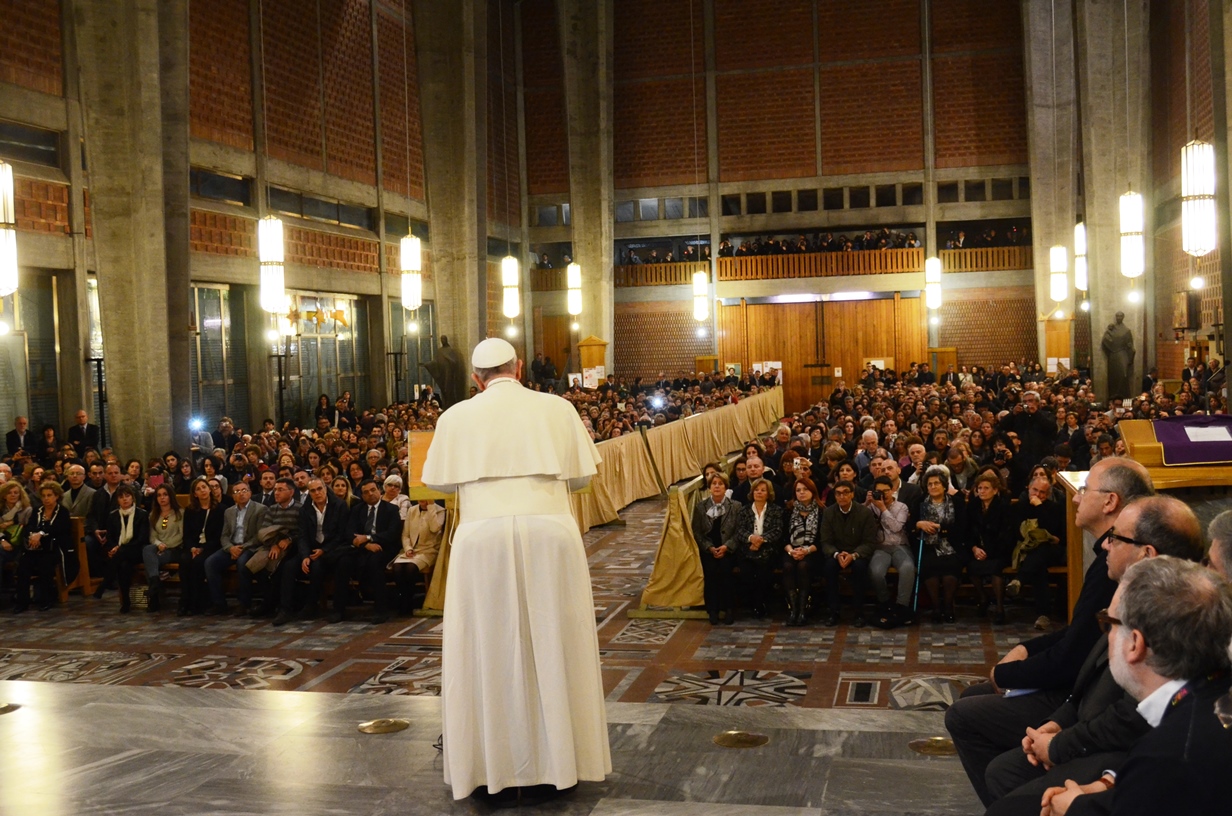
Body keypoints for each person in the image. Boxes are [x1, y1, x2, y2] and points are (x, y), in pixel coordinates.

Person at [421, 336, 609, 802]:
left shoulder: (455, 417)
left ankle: (489, 763)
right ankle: (560, 760)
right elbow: (583, 476)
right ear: (520, 367)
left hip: (481, 538)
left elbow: (440, 482)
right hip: (550, 534)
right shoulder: (558, 407)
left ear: (474, 379)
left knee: (487, 643)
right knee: (553, 639)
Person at [944, 458, 1154, 807]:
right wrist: (1027, 649)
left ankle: (1016, 803)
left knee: (968, 719)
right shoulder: (1113, 559)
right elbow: (1081, 634)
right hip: (1080, 702)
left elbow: (1076, 663)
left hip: (1088, 708)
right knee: (976, 705)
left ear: (1110, 502)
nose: (1074, 497)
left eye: (1084, 490)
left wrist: (1056, 735)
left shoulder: (1122, 569)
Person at [1034, 557, 1232, 816]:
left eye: (1110, 623)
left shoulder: (1164, 754)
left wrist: (1076, 810)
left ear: (1135, 643)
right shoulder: (1213, 693)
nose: (1108, 635)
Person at [273, 477, 349, 625]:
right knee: (288, 567)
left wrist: (324, 550)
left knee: (319, 566)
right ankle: (285, 610)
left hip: (333, 550)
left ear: (325, 489)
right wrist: (304, 556)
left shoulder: (339, 506)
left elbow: (342, 535)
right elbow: (302, 536)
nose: (317, 493)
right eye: (313, 490)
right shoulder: (305, 509)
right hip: (312, 549)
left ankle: (316, 606)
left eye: (319, 489)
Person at [819, 478, 878, 626]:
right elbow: (825, 541)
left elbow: (869, 542)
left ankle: (858, 612)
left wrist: (854, 555)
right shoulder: (829, 513)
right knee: (829, 567)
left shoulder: (864, 513)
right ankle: (834, 611)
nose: (842, 496)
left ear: (852, 494)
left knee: (859, 568)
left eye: (845, 493)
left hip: (857, 552)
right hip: (837, 552)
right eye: (838, 494)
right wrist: (836, 554)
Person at [204, 481, 267, 615]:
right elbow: (224, 536)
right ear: (233, 496)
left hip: (250, 547)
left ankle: (244, 603)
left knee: (242, 563)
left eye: (244, 490)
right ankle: (219, 603)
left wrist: (242, 547)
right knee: (210, 563)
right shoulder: (229, 511)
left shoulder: (260, 509)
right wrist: (230, 548)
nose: (241, 494)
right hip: (232, 547)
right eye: (237, 492)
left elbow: (259, 535)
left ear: (250, 493)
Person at [915, 466, 968, 623]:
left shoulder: (956, 502)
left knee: (950, 568)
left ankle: (948, 606)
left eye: (937, 483)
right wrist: (920, 524)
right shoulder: (920, 502)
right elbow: (911, 524)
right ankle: (936, 607)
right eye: (930, 484)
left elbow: (962, 527)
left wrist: (941, 528)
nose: (933, 486)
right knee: (929, 566)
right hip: (928, 546)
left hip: (952, 545)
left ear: (944, 486)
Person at [346, 479, 402, 623]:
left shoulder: (391, 509)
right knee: (344, 562)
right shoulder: (357, 510)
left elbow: (392, 533)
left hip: (385, 547)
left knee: (374, 563)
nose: (370, 494)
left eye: (373, 490)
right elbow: (350, 533)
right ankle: (341, 608)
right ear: (362, 496)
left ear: (379, 491)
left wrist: (369, 537)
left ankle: (381, 609)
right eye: (366, 492)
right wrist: (366, 544)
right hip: (363, 548)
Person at [12, 481, 73, 612]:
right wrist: (33, 535)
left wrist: (41, 534)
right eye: (44, 496)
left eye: (49, 495)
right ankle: (22, 602)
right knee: (23, 564)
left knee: (45, 563)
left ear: (56, 496)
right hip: (35, 547)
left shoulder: (62, 511)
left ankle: (46, 599)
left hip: (55, 547)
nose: (46, 498)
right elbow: (29, 526)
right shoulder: (37, 510)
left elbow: (59, 529)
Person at [690, 471, 740, 625]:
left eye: (720, 484)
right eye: (714, 484)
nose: (717, 487)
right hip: (709, 549)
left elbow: (739, 531)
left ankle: (729, 608)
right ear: (709, 487)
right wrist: (709, 547)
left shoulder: (735, 506)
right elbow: (697, 532)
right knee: (710, 571)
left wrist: (727, 546)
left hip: (728, 548)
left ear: (726, 487)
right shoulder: (701, 507)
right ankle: (712, 609)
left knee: (726, 570)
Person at [867, 474, 916, 628]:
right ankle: (885, 603)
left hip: (900, 545)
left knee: (908, 568)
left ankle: (902, 606)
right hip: (880, 548)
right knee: (875, 571)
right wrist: (866, 503)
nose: (882, 495)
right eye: (878, 491)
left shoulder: (902, 506)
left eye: (886, 491)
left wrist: (883, 508)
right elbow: (861, 521)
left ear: (893, 490)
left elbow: (896, 528)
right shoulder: (870, 506)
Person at [966, 470, 1012, 624]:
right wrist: (974, 548)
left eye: (986, 488)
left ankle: (1000, 608)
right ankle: (983, 596)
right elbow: (968, 530)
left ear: (995, 490)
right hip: (978, 549)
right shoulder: (973, 506)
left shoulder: (1003, 507)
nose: (982, 491)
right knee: (971, 566)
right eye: (979, 488)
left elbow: (1005, 534)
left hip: (999, 550)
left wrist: (989, 552)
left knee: (995, 568)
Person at [733, 477, 782, 619]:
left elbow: (777, 530)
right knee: (747, 571)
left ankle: (760, 604)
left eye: (763, 490)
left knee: (764, 571)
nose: (759, 493)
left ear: (768, 493)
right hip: (748, 548)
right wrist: (751, 539)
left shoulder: (776, 510)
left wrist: (761, 540)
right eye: (756, 490)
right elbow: (740, 530)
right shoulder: (744, 510)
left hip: (768, 548)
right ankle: (752, 603)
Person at [781, 477, 822, 626]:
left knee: (803, 566)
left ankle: (803, 610)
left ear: (813, 491)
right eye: (798, 490)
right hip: (791, 549)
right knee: (788, 566)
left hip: (813, 550)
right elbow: (783, 537)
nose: (802, 493)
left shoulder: (821, 510)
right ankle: (793, 609)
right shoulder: (788, 510)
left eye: (805, 489)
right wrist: (792, 551)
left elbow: (822, 539)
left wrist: (806, 551)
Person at [179, 476, 223, 616]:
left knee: (198, 562)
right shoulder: (191, 510)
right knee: (185, 562)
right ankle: (185, 601)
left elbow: (219, 536)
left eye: (204, 487)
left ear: (209, 489)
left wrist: (202, 549)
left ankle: (199, 602)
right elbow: (187, 535)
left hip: (211, 546)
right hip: (194, 547)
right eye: (198, 489)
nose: (202, 491)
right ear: (194, 494)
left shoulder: (220, 510)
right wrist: (192, 548)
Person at [104, 485, 150, 614]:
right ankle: (126, 601)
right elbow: (110, 537)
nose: (125, 499)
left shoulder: (142, 514)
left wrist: (120, 549)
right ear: (117, 500)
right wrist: (114, 548)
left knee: (122, 554)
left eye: (127, 496)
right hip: (121, 554)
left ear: (133, 498)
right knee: (123, 565)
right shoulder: (113, 516)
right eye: (121, 497)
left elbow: (142, 538)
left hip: (137, 550)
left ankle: (106, 582)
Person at [395, 499, 444, 613]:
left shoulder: (440, 511)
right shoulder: (412, 510)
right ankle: (402, 600)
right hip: (412, 550)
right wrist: (408, 548)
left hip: (429, 550)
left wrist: (431, 507)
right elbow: (405, 534)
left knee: (410, 568)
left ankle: (409, 601)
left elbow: (435, 528)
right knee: (397, 568)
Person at [142, 484, 183, 613]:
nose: (162, 498)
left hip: (175, 548)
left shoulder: (180, 513)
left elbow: (182, 536)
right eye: (159, 495)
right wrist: (159, 544)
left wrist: (166, 546)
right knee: (147, 550)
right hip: (159, 548)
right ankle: (155, 582)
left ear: (170, 496)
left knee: (150, 562)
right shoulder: (153, 514)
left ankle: (154, 599)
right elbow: (153, 536)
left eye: (165, 494)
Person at [0, 481, 34, 608]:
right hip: (2, 544)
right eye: (9, 493)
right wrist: (2, 539)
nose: (13, 495)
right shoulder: (1, 509)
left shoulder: (26, 510)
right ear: (4, 495)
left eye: (16, 493)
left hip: (19, 546)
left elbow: (28, 529)